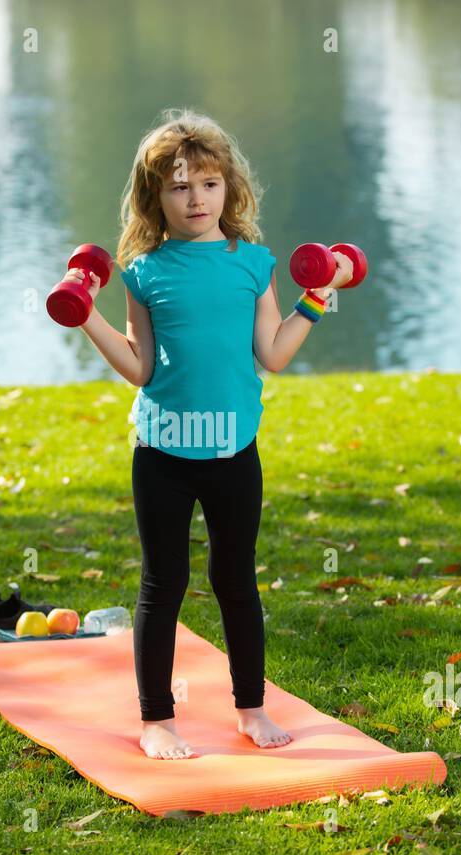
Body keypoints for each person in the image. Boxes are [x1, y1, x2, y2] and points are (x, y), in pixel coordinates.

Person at [70, 108, 353, 759]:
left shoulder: (253, 264)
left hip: (234, 454)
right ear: (154, 198)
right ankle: (156, 721)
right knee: (162, 585)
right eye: (177, 185)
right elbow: (140, 366)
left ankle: (251, 711)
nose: (195, 198)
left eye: (207, 183)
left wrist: (319, 295)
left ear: (229, 187)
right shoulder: (143, 274)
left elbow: (274, 354)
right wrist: (87, 319)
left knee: (236, 580)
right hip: (163, 455)